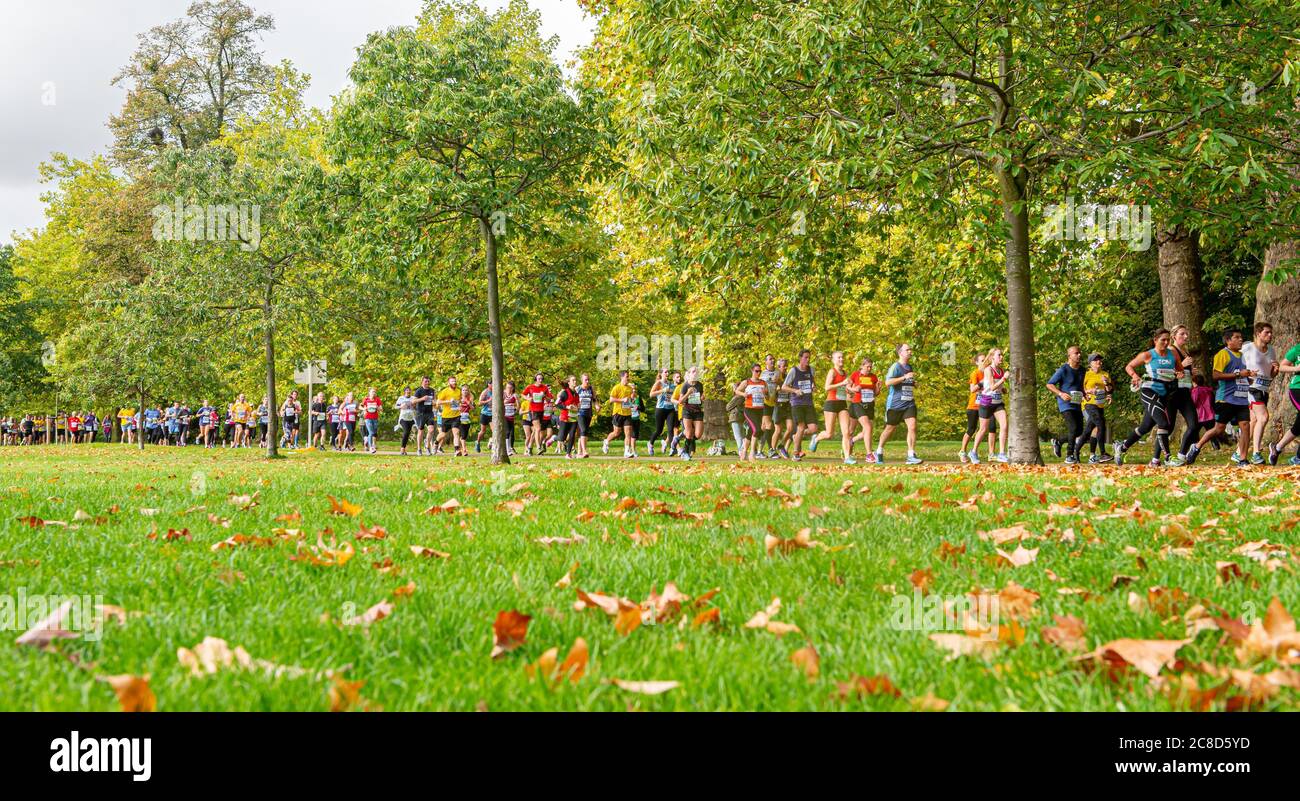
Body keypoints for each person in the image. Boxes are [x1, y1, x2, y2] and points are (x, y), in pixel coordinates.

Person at [1184, 329, 1255, 466]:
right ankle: (1196, 447)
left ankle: (1243, 459)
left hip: (1241, 398)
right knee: (1219, 429)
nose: (1240, 340)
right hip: (1225, 399)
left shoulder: (1242, 356)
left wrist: (1248, 378)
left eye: (1241, 337)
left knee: (1245, 426)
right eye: (1237, 337)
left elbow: (1240, 374)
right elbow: (1216, 375)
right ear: (1228, 340)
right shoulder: (1222, 354)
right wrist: (1239, 375)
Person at [1115, 328, 1183, 466]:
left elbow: (1179, 369)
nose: (1165, 342)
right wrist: (1134, 376)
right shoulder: (1148, 355)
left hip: (1165, 393)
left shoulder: (1173, 354)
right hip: (1149, 390)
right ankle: (1168, 457)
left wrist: (1178, 374)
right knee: (1163, 424)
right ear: (1155, 340)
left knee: (1144, 428)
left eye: (1167, 340)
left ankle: (1121, 448)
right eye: (1162, 340)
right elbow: (1129, 366)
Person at [876, 343, 923, 465]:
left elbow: (907, 380)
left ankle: (911, 454)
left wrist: (914, 383)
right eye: (907, 350)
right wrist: (904, 377)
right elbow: (888, 382)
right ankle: (879, 450)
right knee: (890, 429)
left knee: (912, 426)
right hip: (895, 404)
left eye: (910, 349)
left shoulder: (909, 367)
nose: (910, 351)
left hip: (909, 403)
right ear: (900, 352)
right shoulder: (895, 367)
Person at [1242, 322, 1279, 464]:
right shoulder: (1247, 348)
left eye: (1271, 333)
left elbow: (1270, 374)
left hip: (1264, 389)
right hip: (1251, 388)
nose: (1270, 335)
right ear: (1258, 334)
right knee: (1263, 417)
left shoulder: (1271, 350)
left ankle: (1239, 452)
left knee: (1254, 422)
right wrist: (1244, 376)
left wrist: (1274, 372)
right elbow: (1236, 365)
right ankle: (1256, 453)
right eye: (1266, 333)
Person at [810, 350, 855, 464]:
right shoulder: (832, 372)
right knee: (829, 433)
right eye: (838, 357)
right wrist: (842, 383)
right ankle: (816, 438)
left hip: (842, 404)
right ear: (834, 360)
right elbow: (827, 387)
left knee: (846, 432)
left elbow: (844, 389)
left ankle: (847, 457)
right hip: (831, 404)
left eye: (842, 357)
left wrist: (850, 391)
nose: (841, 359)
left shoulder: (844, 373)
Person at [1166, 325, 1201, 463]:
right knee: (1167, 427)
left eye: (1186, 334)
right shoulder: (1170, 350)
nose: (1186, 337)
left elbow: (1184, 373)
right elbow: (1167, 371)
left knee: (1194, 425)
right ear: (1174, 336)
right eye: (1182, 334)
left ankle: (1181, 455)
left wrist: (1192, 373)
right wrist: (1182, 363)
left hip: (1185, 392)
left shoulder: (1185, 351)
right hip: (1172, 392)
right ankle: (1156, 458)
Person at [1047, 346, 1087, 465]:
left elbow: (1082, 386)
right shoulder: (1063, 369)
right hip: (1065, 403)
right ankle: (1070, 455)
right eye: (1076, 353)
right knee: (1073, 427)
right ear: (1069, 356)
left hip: (1077, 402)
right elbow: (1049, 384)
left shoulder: (1083, 370)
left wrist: (1085, 394)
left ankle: (1059, 441)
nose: (1079, 355)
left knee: (1079, 430)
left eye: (1080, 353)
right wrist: (1061, 393)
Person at [969, 348, 1008, 464]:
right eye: (999, 355)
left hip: (998, 403)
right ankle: (973, 451)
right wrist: (1004, 379)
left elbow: (998, 387)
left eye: (1002, 355)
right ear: (992, 357)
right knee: (983, 429)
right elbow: (991, 387)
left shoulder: (1001, 370)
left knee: (1004, 425)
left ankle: (1001, 453)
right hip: (987, 402)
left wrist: (1003, 389)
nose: (1001, 357)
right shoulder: (988, 370)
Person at [1267, 338, 1300, 465]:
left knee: (1298, 426)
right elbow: (1281, 366)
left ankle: (1277, 448)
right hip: (1297, 388)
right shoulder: (1297, 349)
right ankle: (1298, 458)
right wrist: (1296, 368)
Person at [782, 350, 818, 461]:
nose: (808, 360)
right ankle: (796, 454)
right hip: (796, 403)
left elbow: (813, 383)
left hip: (808, 403)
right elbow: (784, 387)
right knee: (801, 427)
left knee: (813, 429)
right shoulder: (794, 370)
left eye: (809, 357)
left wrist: (814, 388)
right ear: (800, 358)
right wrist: (795, 391)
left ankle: (796, 435)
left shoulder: (811, 370)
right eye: (806, 357)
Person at [1079, 353, 1114, 463]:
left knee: (1090, 430)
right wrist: (1089, 391)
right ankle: (1102, 453)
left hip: (1100, 404)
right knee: (1099, 425)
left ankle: (1077, 452)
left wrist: (1107, 386)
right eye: (1096, 360)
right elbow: (1080, 389)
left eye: (1100, 360)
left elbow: (1109, 389)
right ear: (1090, 363)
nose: (1099, 362)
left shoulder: (1105, 374)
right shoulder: (1086, 374)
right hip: (1088, 404)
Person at [735, 363, 767, 461]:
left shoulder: (763, 383)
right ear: (752, 371)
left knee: (752, 431)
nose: (758, 373)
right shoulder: (747, 382)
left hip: (760, 409)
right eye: (756, 371)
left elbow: (768, 396)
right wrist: (743, 394)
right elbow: (737, 391)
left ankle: (744, 451)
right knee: (757, 430)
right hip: (749, 409)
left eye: (759, 371)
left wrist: (765, 393)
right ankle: (752, 453)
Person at [673, 366, 704, 460]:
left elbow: (699, 399)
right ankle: (685, 453)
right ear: (689, 374)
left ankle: (679, 436)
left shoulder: (700, 385)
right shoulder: (685, 385)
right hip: (687, 411)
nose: (695, 373)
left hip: (697, 411)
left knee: (698, 434)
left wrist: (702, 398)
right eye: (693, 371)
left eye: (696, 371)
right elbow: (680, 401)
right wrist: (688, 393)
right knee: (689, 433)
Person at [603, 371, 636, 457]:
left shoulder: (630, 388)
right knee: (616, 432)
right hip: (618, 413)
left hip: (627, 413)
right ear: (622, 377)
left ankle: (626, 452)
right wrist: (622, 400)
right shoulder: (616, 387)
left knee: (628, 433)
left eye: (628, 376)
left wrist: (633, 393)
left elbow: (632, 400)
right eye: (626, 376)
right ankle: (606, 441)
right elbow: (611, 400)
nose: (628, 378)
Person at [648, 369, 679, 457]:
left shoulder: (670, 384)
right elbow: (651, 394)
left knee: (670, 429)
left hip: (670, 409)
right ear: (661, 374)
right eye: (665, 372)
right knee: (659, 430)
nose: (667, 373)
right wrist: (663, 390)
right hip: (660, 409)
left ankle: (672, 449)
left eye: (668, 372)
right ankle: (650, 443)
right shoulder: (659, 383)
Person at [523, 374, 551, 456]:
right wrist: (528, 398)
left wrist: (545, 396)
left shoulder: (545, 388)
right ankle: (539, 448)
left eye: (542, 379)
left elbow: (549, 400)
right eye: (539, 379)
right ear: (535, 379)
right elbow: (523, 394)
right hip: (533, 410)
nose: (540, 380)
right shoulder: (530, 387)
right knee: (538, 429)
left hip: (541, 411)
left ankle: (529, 448)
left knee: (535, 430)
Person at [575, 375, 597, 459]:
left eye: (588, 379)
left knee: (583, 432)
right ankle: (584, 451)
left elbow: (594, 399)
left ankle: (579, 452)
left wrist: (596, 405)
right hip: (580, 413)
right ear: (582, 380)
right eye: (585, 380)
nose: (587, 381)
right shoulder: (578, 389)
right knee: (583, 430)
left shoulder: (591, 389)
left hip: (588, 413)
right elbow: (572, 398)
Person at [414, 377, 436, 456]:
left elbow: (434, 400)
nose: (427, 383)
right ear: (422, 382)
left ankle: (427, 446)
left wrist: (434, 402)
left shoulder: (432, 390)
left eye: (428, 381)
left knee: (431, 430)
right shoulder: (419, 390)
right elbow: (413, 401)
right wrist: (422, 398)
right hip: (420, 413)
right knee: (421, 431)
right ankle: (419, 449)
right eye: (426, 381)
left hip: (429, 412)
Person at [395, 387, 416, 455]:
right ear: (404, 391)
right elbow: (396, 406)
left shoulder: (413, 398)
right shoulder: (401, 398)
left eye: (409, 390)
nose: (408, 391)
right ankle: (402, 449)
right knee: (406, 431)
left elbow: (417, 407)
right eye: (407, 390)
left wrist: (414, 405)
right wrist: (401, 406)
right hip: (403, 418)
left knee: (407, 434)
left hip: (411, 418)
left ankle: (404, 449)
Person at [361, 388, 383, 454]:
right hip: (367, 418)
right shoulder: (366, 399)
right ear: (369, 393)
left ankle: (367, 440)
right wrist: (364, 408)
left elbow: (381, 409)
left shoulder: (377, 399)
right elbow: (360, 406)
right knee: (371, 432)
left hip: (375, 418)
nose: (373, 393)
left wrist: (377, 407)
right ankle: (371, 447)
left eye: (374, 392)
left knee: (374, 432)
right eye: (372, 392)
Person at [474, 384, 493, 454]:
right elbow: (479, 403)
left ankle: (491, 441)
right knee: (483, 431)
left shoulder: (496, 391)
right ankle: (477, 442)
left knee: (495, 430)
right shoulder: (485, 392)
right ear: (488, 384)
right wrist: (488, 400)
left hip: (493, 414)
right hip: (484, 414)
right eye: (492, 384)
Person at [502, 381, 518, 457]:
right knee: (507, 432)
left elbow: (518, 406)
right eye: (507, 387)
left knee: (512, 433)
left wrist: (516, 410)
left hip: (511, 416)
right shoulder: (503, 394)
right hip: (504, 416)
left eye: (510, 388)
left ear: (513, 388)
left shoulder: (515, 395)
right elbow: (499, 403)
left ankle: (510, 447)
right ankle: (508, 450)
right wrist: (506, 401)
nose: (509, 389)